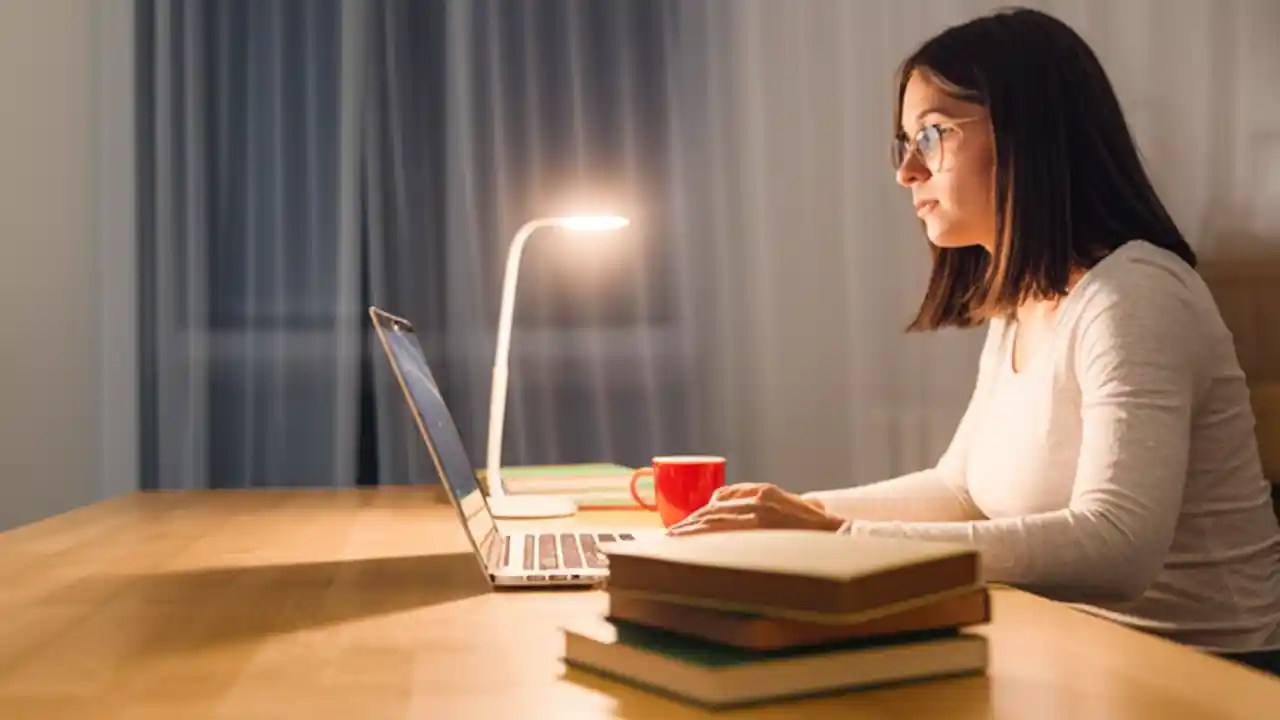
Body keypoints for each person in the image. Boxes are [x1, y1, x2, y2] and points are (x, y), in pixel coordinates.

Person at [666, 7, 1280, 666]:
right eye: (904, 143)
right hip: (1076, 653)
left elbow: (1118, 548)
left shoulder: (1135, 295)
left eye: (931, 135)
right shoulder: (1024, 301)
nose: (907, 171)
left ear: (1025, 136)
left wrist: (836, 536)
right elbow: (960, 491)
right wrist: (796, 514)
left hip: (1208, 676)